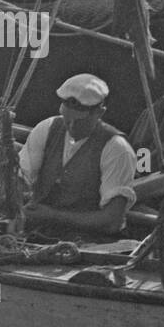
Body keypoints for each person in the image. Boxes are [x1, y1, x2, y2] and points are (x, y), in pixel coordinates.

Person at [17, 74, 137, 237]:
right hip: (40, 234)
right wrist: (13, 199)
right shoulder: (46, 129)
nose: (71, 127)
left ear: (100, 112)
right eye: (67, 120)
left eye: (79, 121)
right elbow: (21, 176)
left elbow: (112, 221)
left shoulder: (117, 150)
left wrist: (53, 216)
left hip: (92, 242)